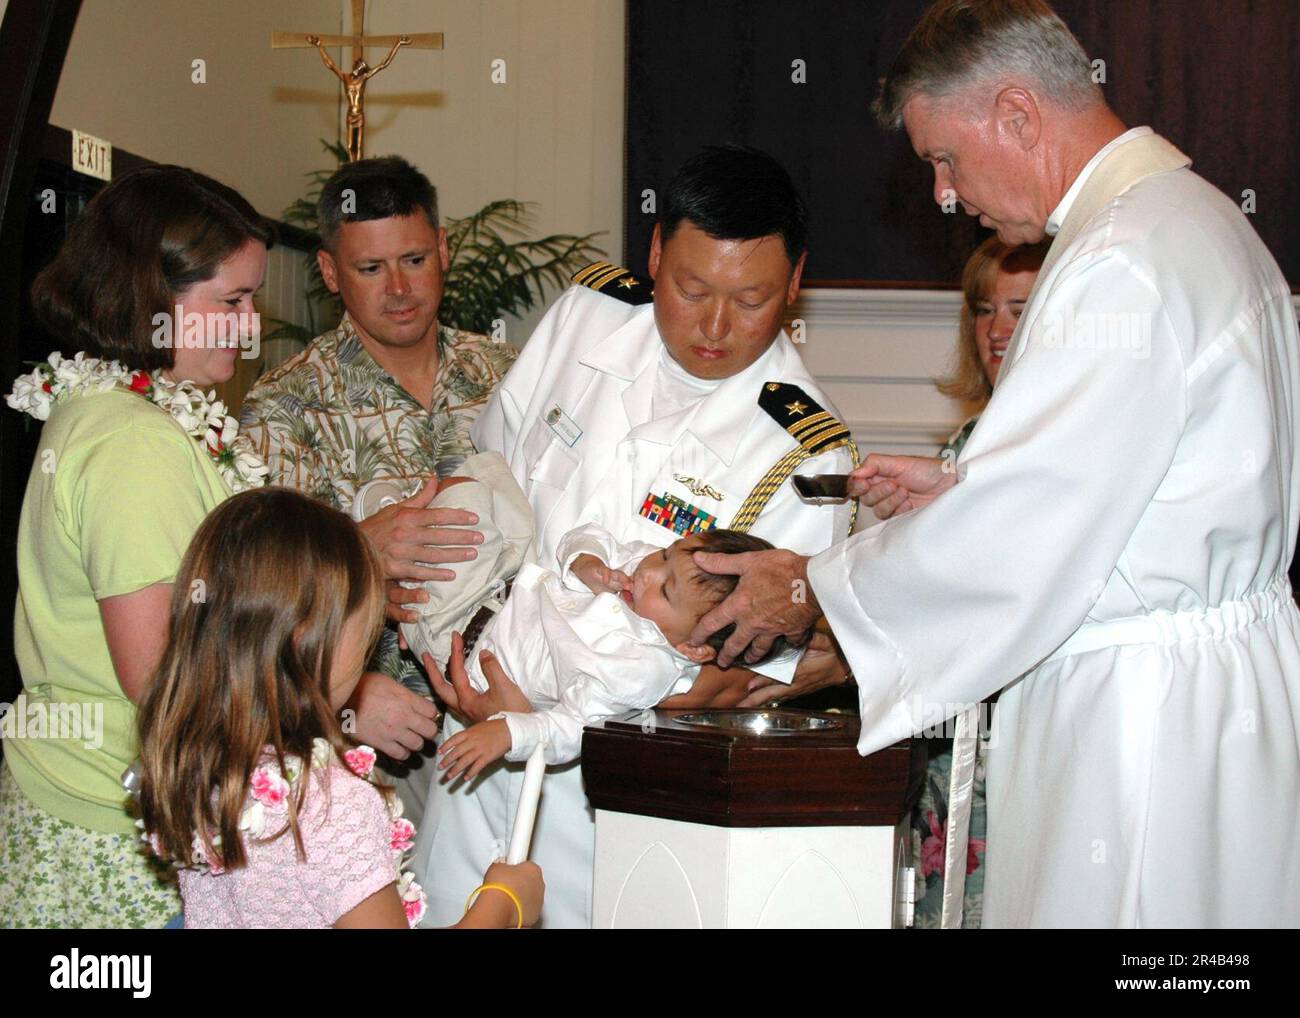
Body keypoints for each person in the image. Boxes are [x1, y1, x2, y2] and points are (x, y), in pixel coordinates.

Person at [686, 0, 1300, 928]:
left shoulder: (1119, 262)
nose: (943, 192)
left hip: (1140, 721)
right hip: (1213, 692)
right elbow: (1115, 482)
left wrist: (815, 585)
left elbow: (1027, 532)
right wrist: (970, 489)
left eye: (944, 157)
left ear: (1017, 114)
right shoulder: (1198, 219)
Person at [417, 144, 859, 928]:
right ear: (654, 255)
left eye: (752, 299)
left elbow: (742, 681)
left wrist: (542, 716)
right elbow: (493, 489)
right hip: (472, 740)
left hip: (609, 795)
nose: (716, 326)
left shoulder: (804, 454)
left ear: (796, 284)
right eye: (690, 289)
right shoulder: (589, 313)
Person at [0, 165, 271, 928]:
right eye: (231, 301)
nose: (249, 327)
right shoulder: (136, 445)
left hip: (88, 793)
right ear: (151, 297)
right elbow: (158, 672)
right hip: (115, 821)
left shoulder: (112, 406)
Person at [240, 156, 517, 828]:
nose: (399, 288)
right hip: (375, 739)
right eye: (370, 269)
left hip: (518, 712)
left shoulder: (509, 376)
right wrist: (351, 694)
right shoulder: (285, 409)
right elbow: (254, 598)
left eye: (416, 259)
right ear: (330, 272)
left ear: (444, 249)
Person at [133, 488, 541, 929]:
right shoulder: (328, 804)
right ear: (307, 639)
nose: (369, 643)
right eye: (365, 624)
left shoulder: (197, 758)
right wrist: (502, 904)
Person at [903, 237, 1045, 928]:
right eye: (985, 309)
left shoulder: (1064, 439)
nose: (996, 328)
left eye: (1020, 308)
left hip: (1032, 740)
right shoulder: (965, 439)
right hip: (952, 744)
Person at [432, 523, 780, 781]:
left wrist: (509, 731)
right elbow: (588, 534)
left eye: (666, 589)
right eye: (665, 554)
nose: (647, 572)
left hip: (462, 649)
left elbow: (573, 728)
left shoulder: (638, 671)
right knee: (477, 489)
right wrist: (586, 561)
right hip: (492, 581)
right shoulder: (641, 573)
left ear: (692, 647)